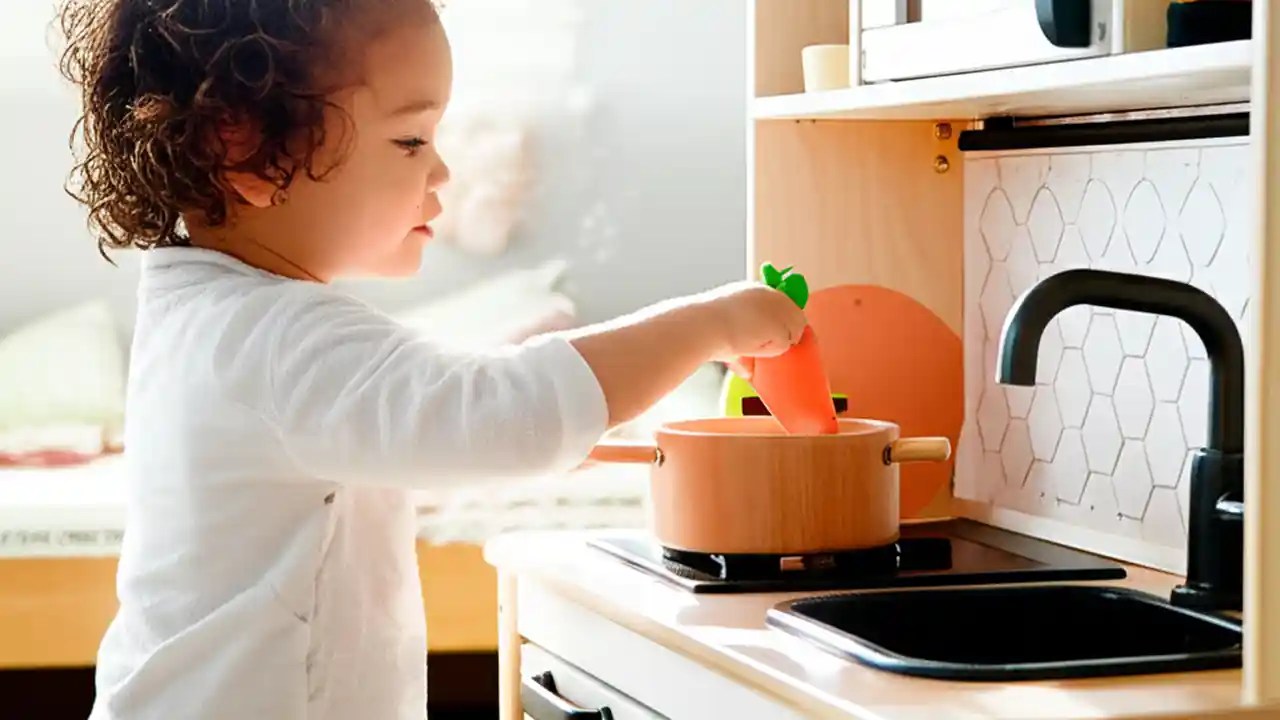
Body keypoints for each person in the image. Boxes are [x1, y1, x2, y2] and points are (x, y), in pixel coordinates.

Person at [56, 0, 808, 718]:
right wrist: (714, 324)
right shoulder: (278, 340)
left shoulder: (209, 315)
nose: (440, 172)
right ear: (247, 148)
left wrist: (577, 432)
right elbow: (498, 416)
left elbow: (388, 440)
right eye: (411, 140)